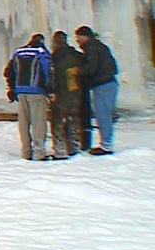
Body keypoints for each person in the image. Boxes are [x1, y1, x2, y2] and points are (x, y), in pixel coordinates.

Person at [4, 33, 54, 160]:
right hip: (37, 91)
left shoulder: (18, 52)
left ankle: (26, 151)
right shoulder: (41, 52)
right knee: (38, 122)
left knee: (24, 122)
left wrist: (12, 89)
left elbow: (8, 71)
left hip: (21, 91)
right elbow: (47, 71)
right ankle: (39, 152)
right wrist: (50, 90)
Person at [75, 25, 119, 155]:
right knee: (103, 114)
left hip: (103, 85)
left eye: (78, 38)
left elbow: (91, 68)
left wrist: (77, 71)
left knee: (102, 115)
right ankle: (106, 143)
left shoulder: (92, 48)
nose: (77, 41)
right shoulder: (98, 46)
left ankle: (106, 146)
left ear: (85, 37)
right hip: (108, 83)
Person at [48, 31, 85, 159]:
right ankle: (74, 147)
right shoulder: (77, 56)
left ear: (55, 42)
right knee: (73, 118)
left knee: (58, 121)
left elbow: (51, 75)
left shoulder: (54, 57)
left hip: (60, 93)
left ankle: (60, 150)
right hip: (75, 92)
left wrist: (51, 91)